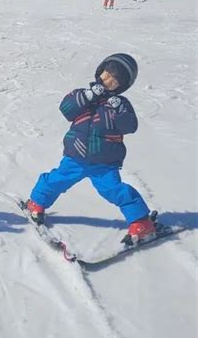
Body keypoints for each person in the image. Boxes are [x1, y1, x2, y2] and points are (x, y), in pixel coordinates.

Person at [24, 53, 156, 243]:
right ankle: (36, 203)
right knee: (56, 180)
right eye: (107, 74)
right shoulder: (82, 95)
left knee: (114, 190)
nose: (109, 81)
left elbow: (130, 127)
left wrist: (119, 110)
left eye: (115, 80)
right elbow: (66, 109)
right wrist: (85, 97)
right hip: (76, 156)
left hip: (104, 162)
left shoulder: (121, 105)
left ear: (123, 86)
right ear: (100, 71)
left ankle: (141, 222)